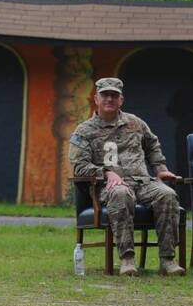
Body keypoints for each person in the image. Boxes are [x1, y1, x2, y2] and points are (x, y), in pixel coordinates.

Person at [68, 77, 186, 276]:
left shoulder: (135, 123)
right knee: (121, 194)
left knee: (167, 194)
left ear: (121, 100)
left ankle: (168, 260)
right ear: (96, 99)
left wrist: (160, 168)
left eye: (114, 95)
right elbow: (79, 166)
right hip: (109, 187)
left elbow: (152, 145)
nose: (109, 99)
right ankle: (127, 259)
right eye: (105, 95)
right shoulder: (84, 131)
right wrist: (105, 173)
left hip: (143, 182)